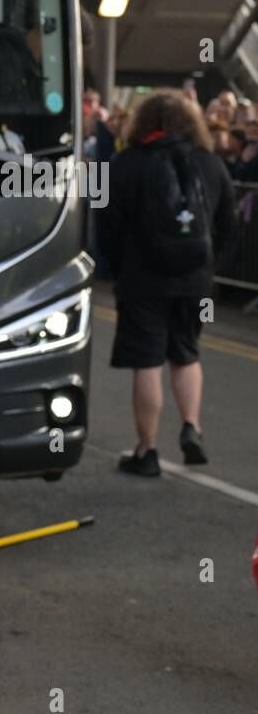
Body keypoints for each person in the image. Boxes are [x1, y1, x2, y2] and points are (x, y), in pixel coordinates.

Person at [100, 90, 237, 476]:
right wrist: (211, 267)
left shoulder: (125, 163)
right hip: (194, 281)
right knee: (186, 353)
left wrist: (117, 267)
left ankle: (147, 451)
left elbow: (107, 225)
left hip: (142, 281)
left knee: (147, 362)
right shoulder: (210, 163)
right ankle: (192, 425)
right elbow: (229, 223)